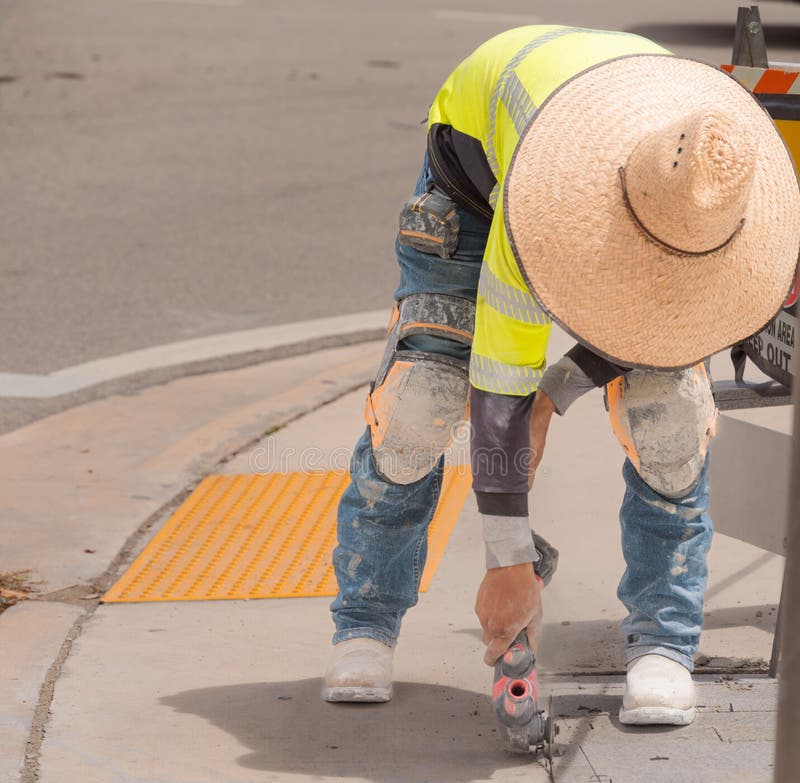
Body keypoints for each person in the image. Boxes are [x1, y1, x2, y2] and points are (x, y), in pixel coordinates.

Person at [322, 25, 800, 724]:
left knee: (666, 414)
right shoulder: (545, 215)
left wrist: (555, 396)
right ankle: (364, 621)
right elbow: (496, 387)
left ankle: (663, 645)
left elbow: (657, 328)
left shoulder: (727, 201)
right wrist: (508, 563)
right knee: (420, 404)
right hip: (478, 192)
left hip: (640, 174)